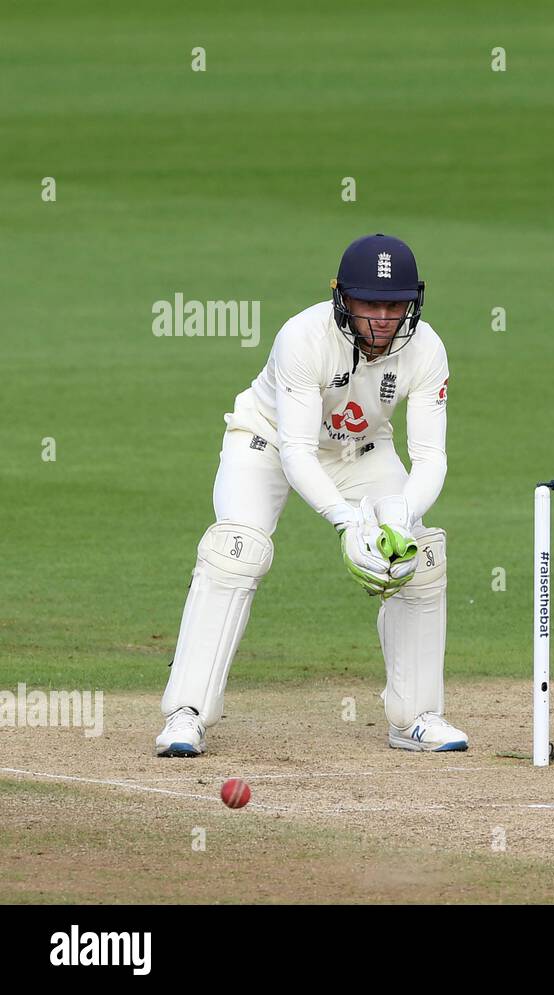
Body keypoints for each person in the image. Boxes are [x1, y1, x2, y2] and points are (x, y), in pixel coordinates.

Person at [155, 233, 467, 756]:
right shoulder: (302, 336)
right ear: (341, 297)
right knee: (236, 552)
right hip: (268, 439)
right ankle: (186, 714)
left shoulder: (428, 348)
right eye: (370, 303)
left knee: (418, 553)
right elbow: (297, 449)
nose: (382, 318)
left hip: (361, 448)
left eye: (396, 305)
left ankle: (415, 716)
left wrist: (399, 519)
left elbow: (431, 458)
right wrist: (348, 523)